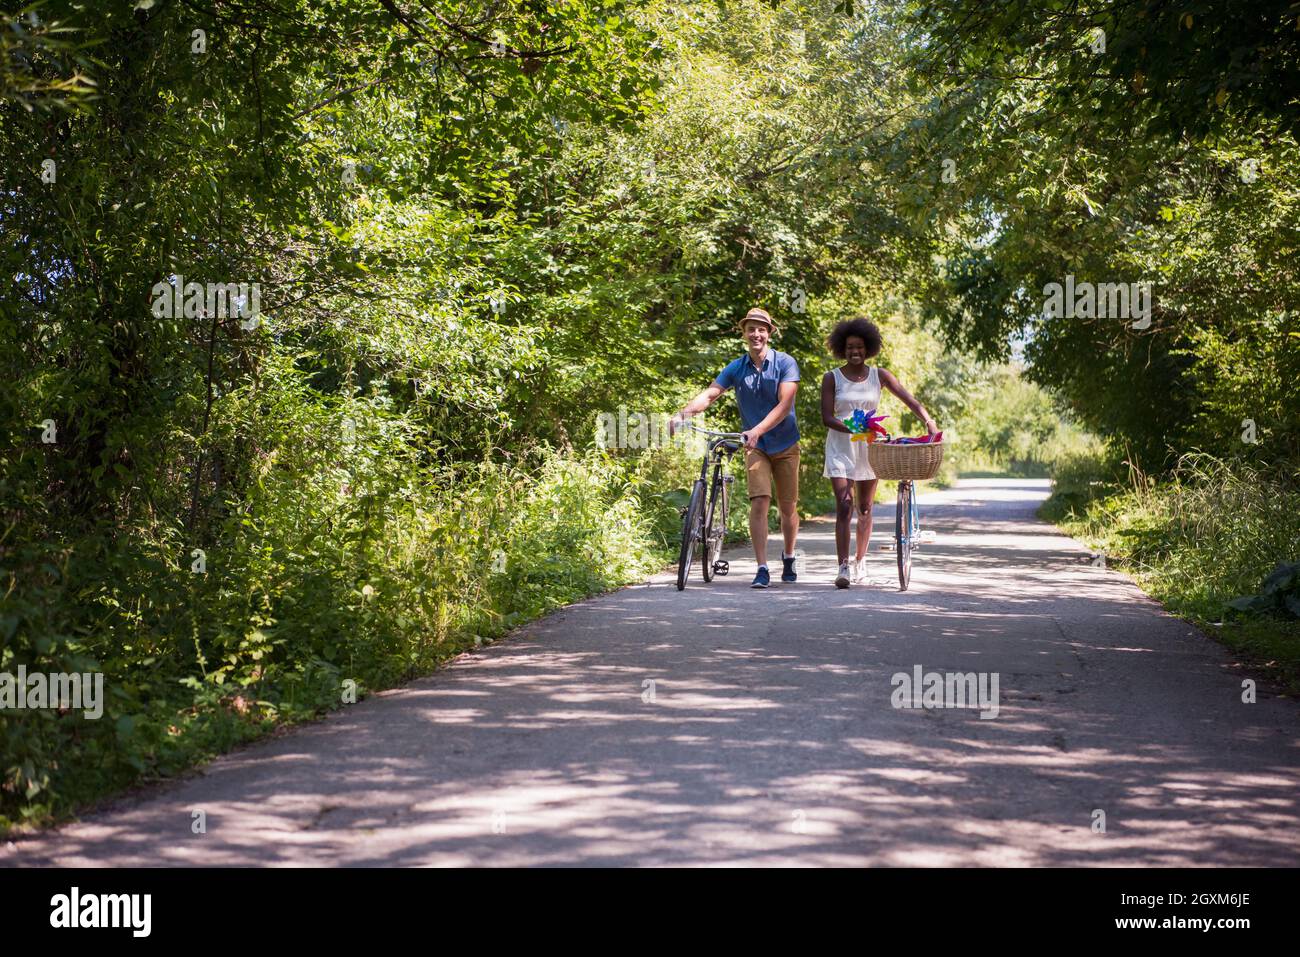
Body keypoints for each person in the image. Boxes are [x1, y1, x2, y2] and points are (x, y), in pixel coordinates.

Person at [669, 307, 800, 588]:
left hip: (786, 443)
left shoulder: (785, 363)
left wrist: (757, 429)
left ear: (769, 333)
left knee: (788, 507)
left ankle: (789, 556)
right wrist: (683, 414)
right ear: (744, 333)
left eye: (761, 329)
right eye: (751, 329)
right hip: (756, 447)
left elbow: (785, 404)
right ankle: (762, 567)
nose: (756, 334)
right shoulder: (737, 367)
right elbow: (710, 394)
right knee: (760, 500)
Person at [821, 318, 938, 588]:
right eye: (850, 347)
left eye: (860, 347)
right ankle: (843, 567)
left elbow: (908, 398)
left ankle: (861, 562)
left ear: (868, 348)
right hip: (841, 445)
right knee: (844, 506)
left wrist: (928, 420)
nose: (855, 352)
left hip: (869, 447)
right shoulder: (832, 378)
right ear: (842, 348)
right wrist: (854, 427)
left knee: (864, 507)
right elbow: (827, 417)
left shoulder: (879, 375)